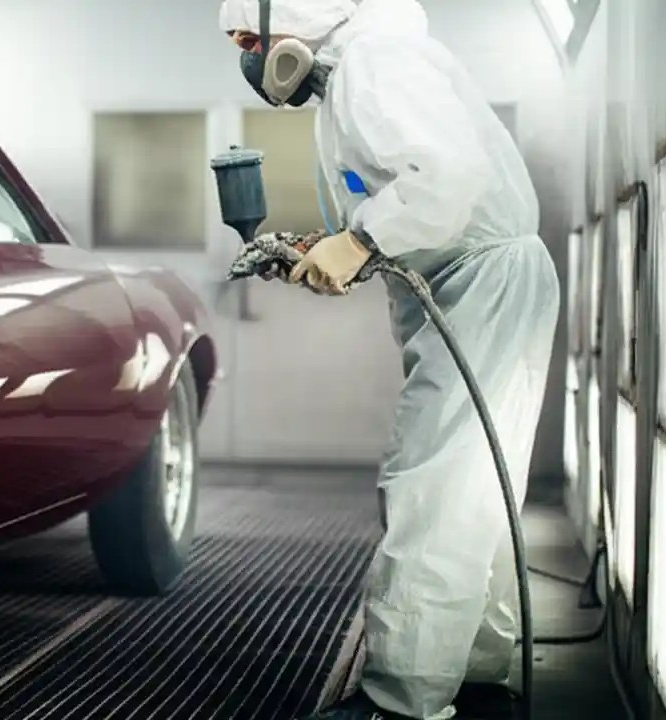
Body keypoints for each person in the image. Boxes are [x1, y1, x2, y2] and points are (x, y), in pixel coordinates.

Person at [218, 0, 561, 718]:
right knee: (471, 490)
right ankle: (476, 675)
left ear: (300, 19)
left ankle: (402, 702)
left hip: (481, 282)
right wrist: (333, 244)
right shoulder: (358, 71)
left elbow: (446, 178)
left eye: (251, 37)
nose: (248, 56)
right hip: (473, 281)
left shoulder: (375, 62)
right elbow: (407, 194)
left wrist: (362, 242)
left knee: (432, 483)